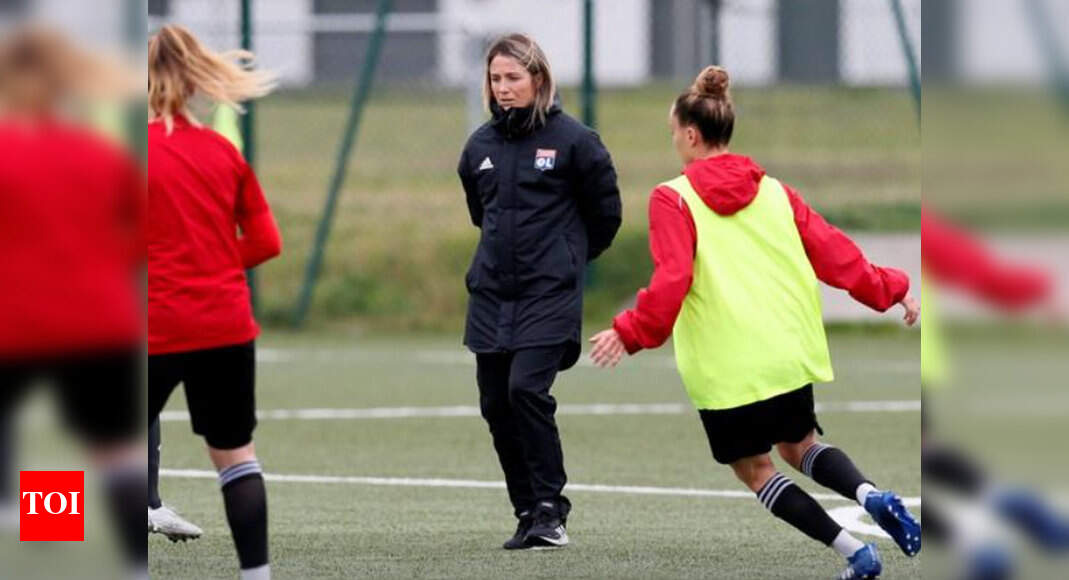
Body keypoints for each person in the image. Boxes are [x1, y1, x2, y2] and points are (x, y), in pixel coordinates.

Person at [589, 66, 920, 579]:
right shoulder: (775, 192)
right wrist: (891, 288)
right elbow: (837, 255)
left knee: (756, 468)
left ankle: (855, 552)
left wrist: (631, 331)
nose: (673, 139)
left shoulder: (672, 197)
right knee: (801, 444)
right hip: (786, 352)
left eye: (673, 131)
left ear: (692, 134)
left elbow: (672, 279)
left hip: (727, 367)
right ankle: (870, 494)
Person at [458, 33, 622, 550]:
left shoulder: (575, 141)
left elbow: (606, 215)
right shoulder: (479, 147)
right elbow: (480, 215)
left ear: (539, 80)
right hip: (491, 295)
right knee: (495, 404)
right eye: (495, 79)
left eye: (513, 78)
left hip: (548, 293)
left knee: (526, 390)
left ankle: (551, 510)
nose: (503, 88)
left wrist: (567, 260)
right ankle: (526, 510)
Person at [0, 26, 146, 577]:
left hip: (13, 322)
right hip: (98, 320)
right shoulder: (99, 155)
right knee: (112, 449)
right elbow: (140, 232)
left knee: (34, 424)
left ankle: (31, 526)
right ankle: (132, 563)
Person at [147, 25, 281, 580]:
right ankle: (257, 575)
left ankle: (50, 557)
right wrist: (216, 264)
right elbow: (268, 241)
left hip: (149, 324)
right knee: (235, 456)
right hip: (224, 324)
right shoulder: (223, 151)